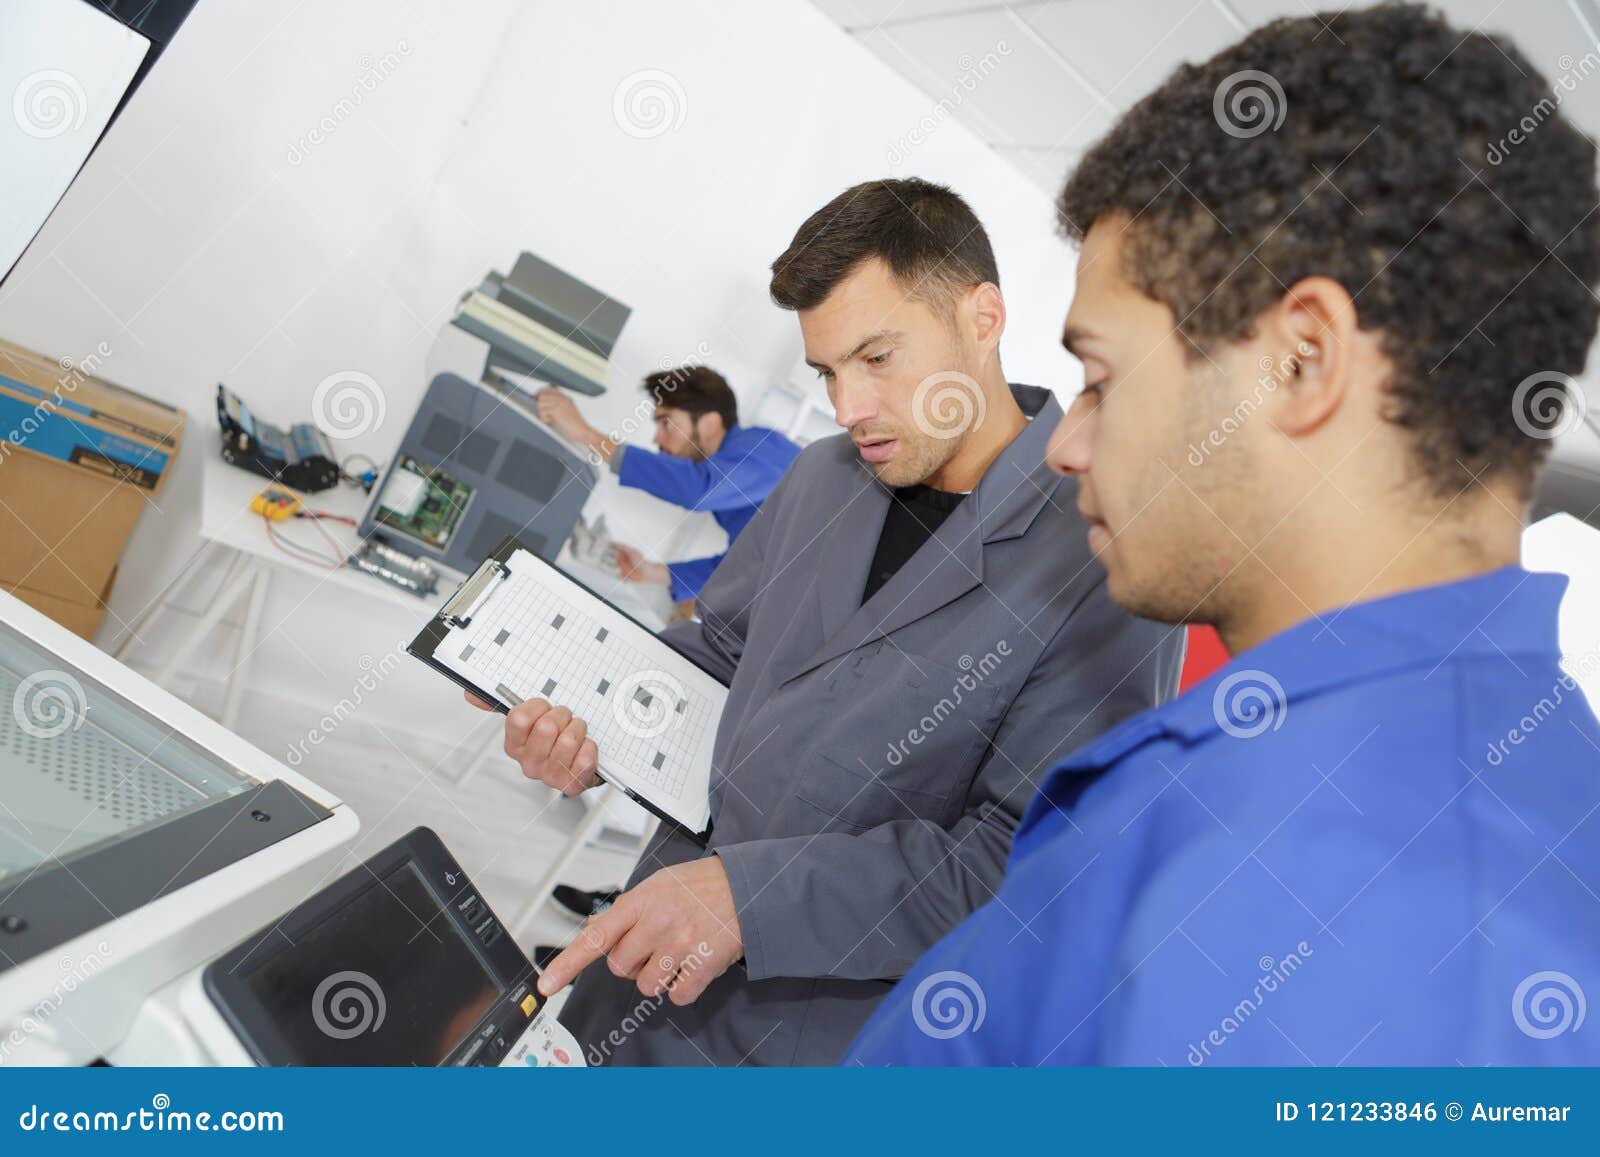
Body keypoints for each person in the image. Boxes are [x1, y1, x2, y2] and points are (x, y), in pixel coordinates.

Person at [844, 4, 1600, 1066]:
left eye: (1101, 378)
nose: (1069, 445)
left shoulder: (1361, 909)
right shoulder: (1425, 784)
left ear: (1299, 360)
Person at [474, 178, 1183, 1065]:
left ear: (983, 317)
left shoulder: (1100, 554)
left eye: (877, 358)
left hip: (813, 1045)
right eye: (828, 372)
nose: (849, 407)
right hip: (641, 962)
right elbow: (724, 651)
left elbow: (1033, 862)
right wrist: (586, 709)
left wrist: (753, 898)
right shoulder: (820, 477)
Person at [536, 366, 800, 610]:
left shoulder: (763, 447)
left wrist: (587, 435)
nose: (657, 439)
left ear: (709, 423)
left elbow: (697, 488)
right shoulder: (737, 494)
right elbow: (743, 570)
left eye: (666, 423)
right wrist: (652, 572)